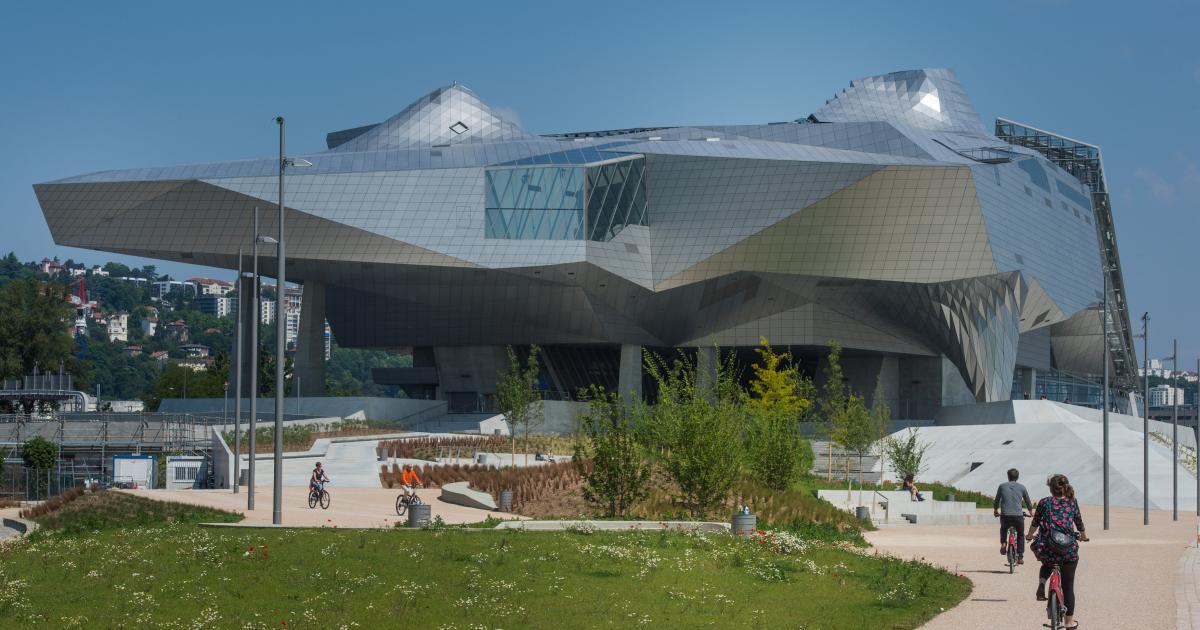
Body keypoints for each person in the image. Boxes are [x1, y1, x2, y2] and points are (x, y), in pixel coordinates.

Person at [1027, 473, 1089, 629]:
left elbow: (1035, 522)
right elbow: (1079, 523)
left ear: (1051, 489)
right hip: (1068, 550)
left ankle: (1042, 583)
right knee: (1068, 587)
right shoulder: (1072, 503)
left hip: (1048, 547)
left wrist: (1029, 535)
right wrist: (1083, 536)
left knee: (1048, 561)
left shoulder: (1044, 502)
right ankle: (1069, 622)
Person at [994, 468, 1034, 564]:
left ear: (1008, 476)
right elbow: (1028, 501)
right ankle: (1020, 557)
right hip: (1018, 516)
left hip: (1005, 515)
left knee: (1003, 528)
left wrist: (995, 510)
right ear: (1017, 477)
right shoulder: (1022, 487)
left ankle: (1003, 543)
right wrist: (1031, 512)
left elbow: (997, 500)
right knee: (1020, 534)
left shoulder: (1002, 486)